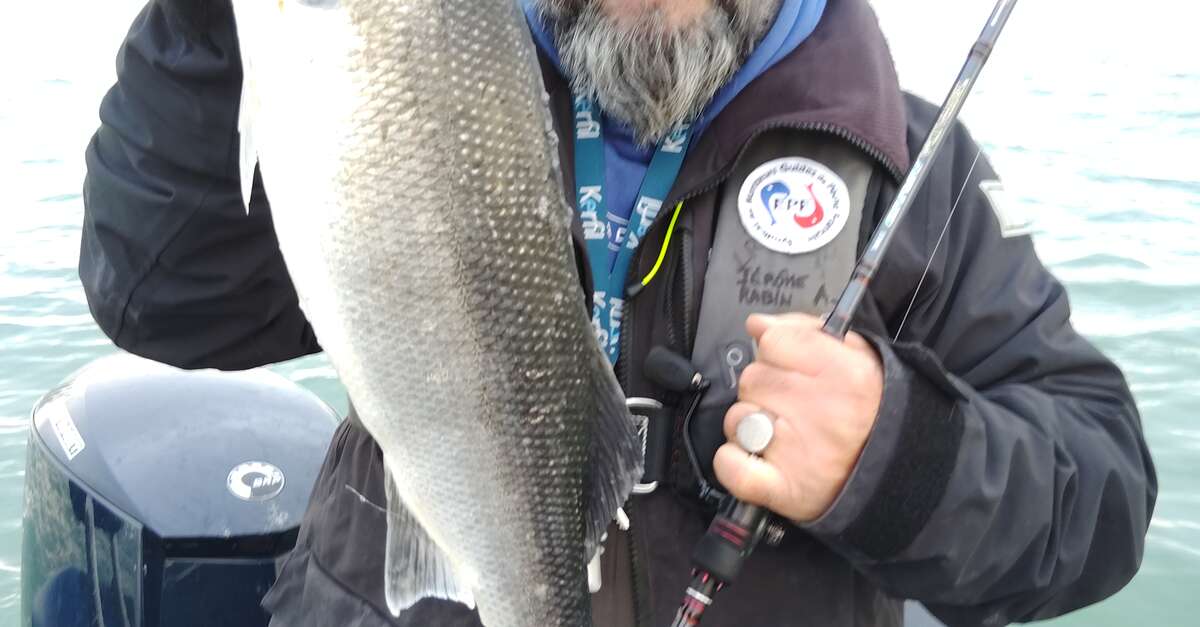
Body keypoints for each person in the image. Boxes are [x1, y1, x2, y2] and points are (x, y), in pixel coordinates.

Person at [79, 0, 1156, 625]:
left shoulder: (912, 172)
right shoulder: (397, 76)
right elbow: (161, 294)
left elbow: (1099, 492)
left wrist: (895, 459)